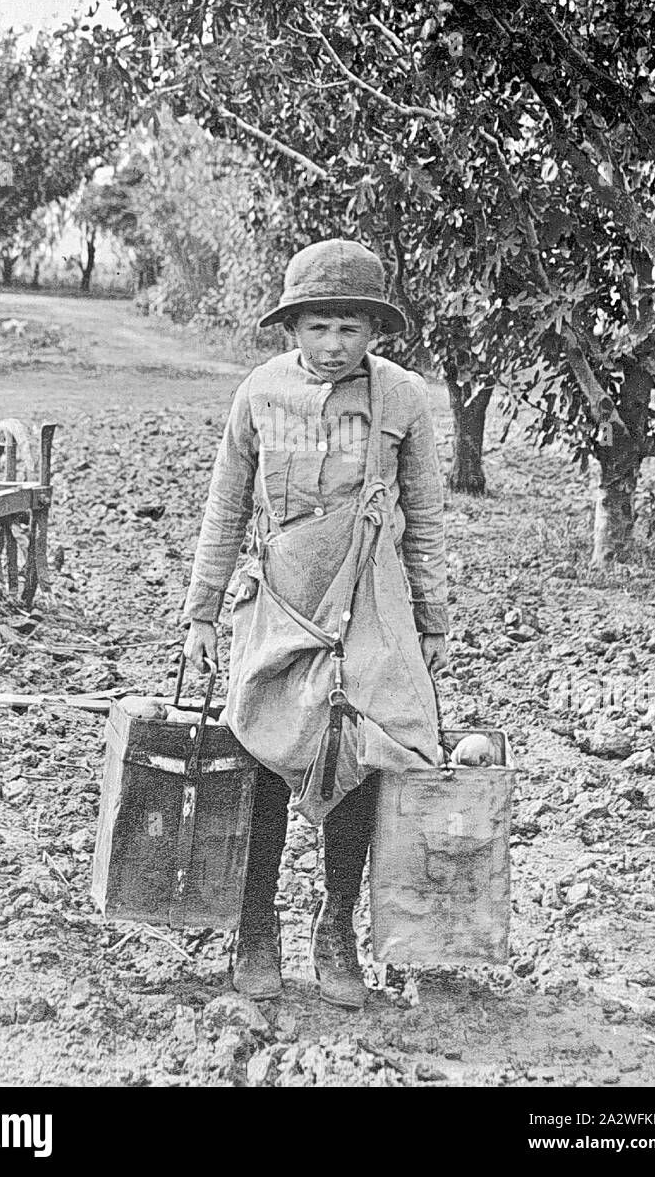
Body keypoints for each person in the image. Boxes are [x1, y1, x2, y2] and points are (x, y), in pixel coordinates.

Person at [183, 238, 448, 1009]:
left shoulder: (402, 398)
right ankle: (254, 926)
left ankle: (335, 928)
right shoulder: (259, 395)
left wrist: (429, 618)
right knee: (267, 753)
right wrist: (201, 611)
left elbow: (425, 514)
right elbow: (226, 505)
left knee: (363, 751)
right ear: (291, 328)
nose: (334, 345)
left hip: (370, 597)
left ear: (375, 332)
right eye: (319, 328)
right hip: (281, 596)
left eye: (351, 329)